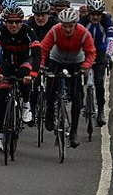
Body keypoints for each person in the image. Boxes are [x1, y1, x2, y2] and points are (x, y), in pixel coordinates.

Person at [40, 8, 96, 148]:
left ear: (75, 25)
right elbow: (43, 49)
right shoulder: (55, 30)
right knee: (51, 87)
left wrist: (86, 66)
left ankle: (74, 131)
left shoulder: (83, 33)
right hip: (57, 58)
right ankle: (49, 113)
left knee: (77, 96)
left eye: (70, 26)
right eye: (64, 26)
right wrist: (41, 66)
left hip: (76, 60)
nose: (67, 29)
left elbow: (91, 53)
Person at [0, 7, 41, 151]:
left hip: (24, 62)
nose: (14, 25)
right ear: (5, 22)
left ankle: (27, 104)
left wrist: (33, 74)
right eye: (10, 22)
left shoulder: (28, 31)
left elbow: (37, 54)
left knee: (25, 76)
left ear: (21, 22)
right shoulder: (0, 30)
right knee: (2, 99)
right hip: (7, 64)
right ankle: (0, 136)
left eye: (17, 22)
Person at [83, 0, 113, 126]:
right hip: (85, 52)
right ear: (88, 13)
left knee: (99, 81)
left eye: (98, 15)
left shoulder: (106, 21)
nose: (95, 17)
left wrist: (109, 54)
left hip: (100, 53)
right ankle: (79, 101)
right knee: (77, 79)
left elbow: (111, 38)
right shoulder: (83, 21)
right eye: (93, 14)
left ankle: (100, 110)